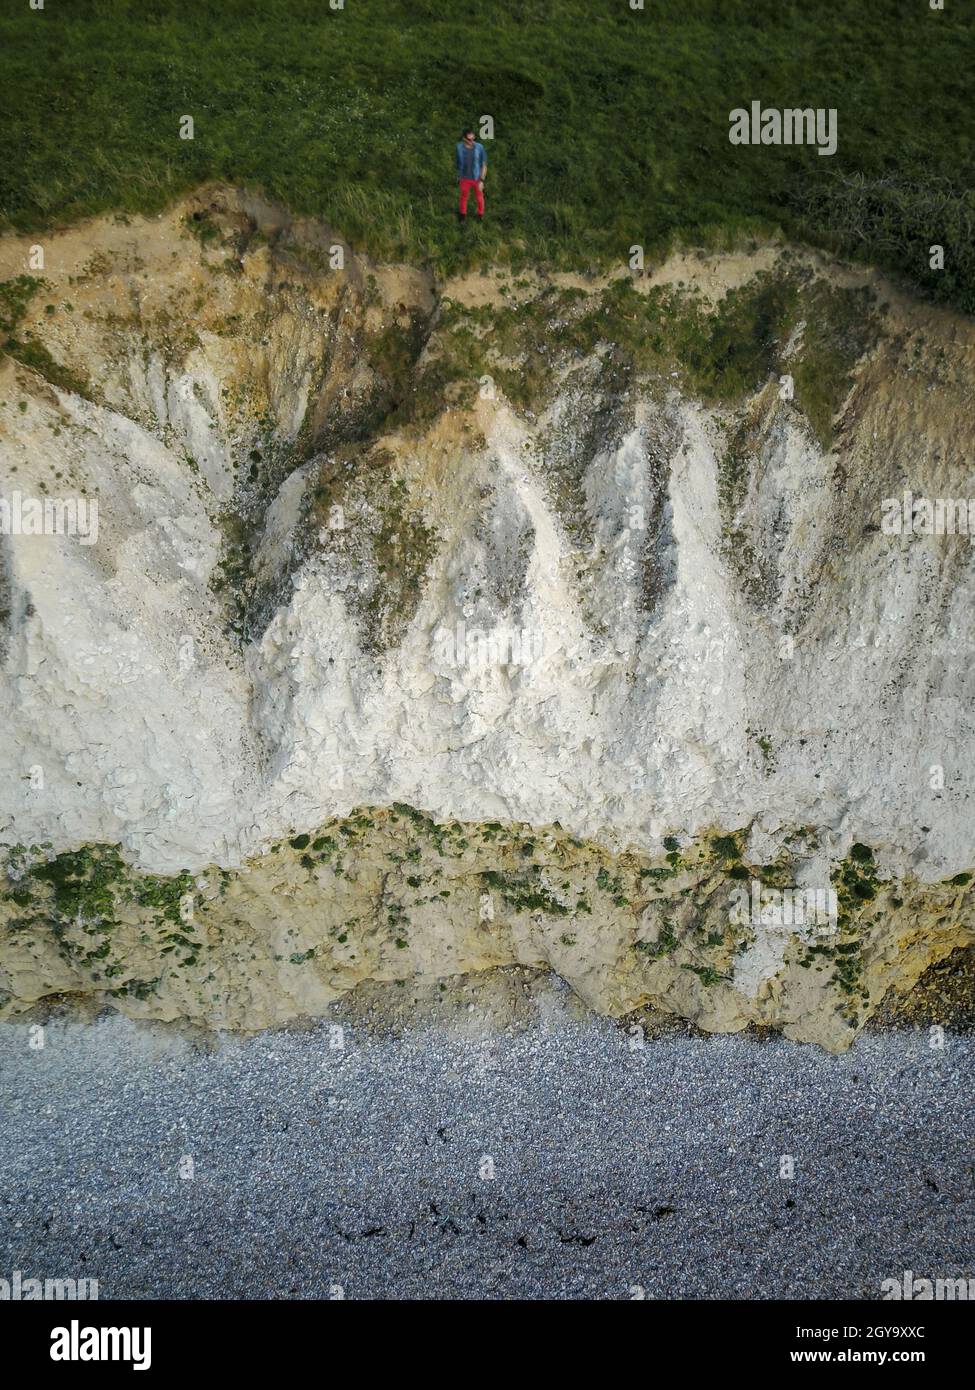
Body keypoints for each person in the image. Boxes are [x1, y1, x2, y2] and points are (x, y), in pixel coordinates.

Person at [455, 127, 487, 223]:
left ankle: (480, 215)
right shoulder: (459, 147)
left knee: (479, 197)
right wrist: (459, 175)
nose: (472, 141)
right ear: (464, 139)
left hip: (477, 178)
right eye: (469, 139)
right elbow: (458, 162)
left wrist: (481, 180)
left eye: (473, 139)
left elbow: (484, 165)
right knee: (464, 197)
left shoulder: (479, 147)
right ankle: (462, 216)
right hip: (464, 178)